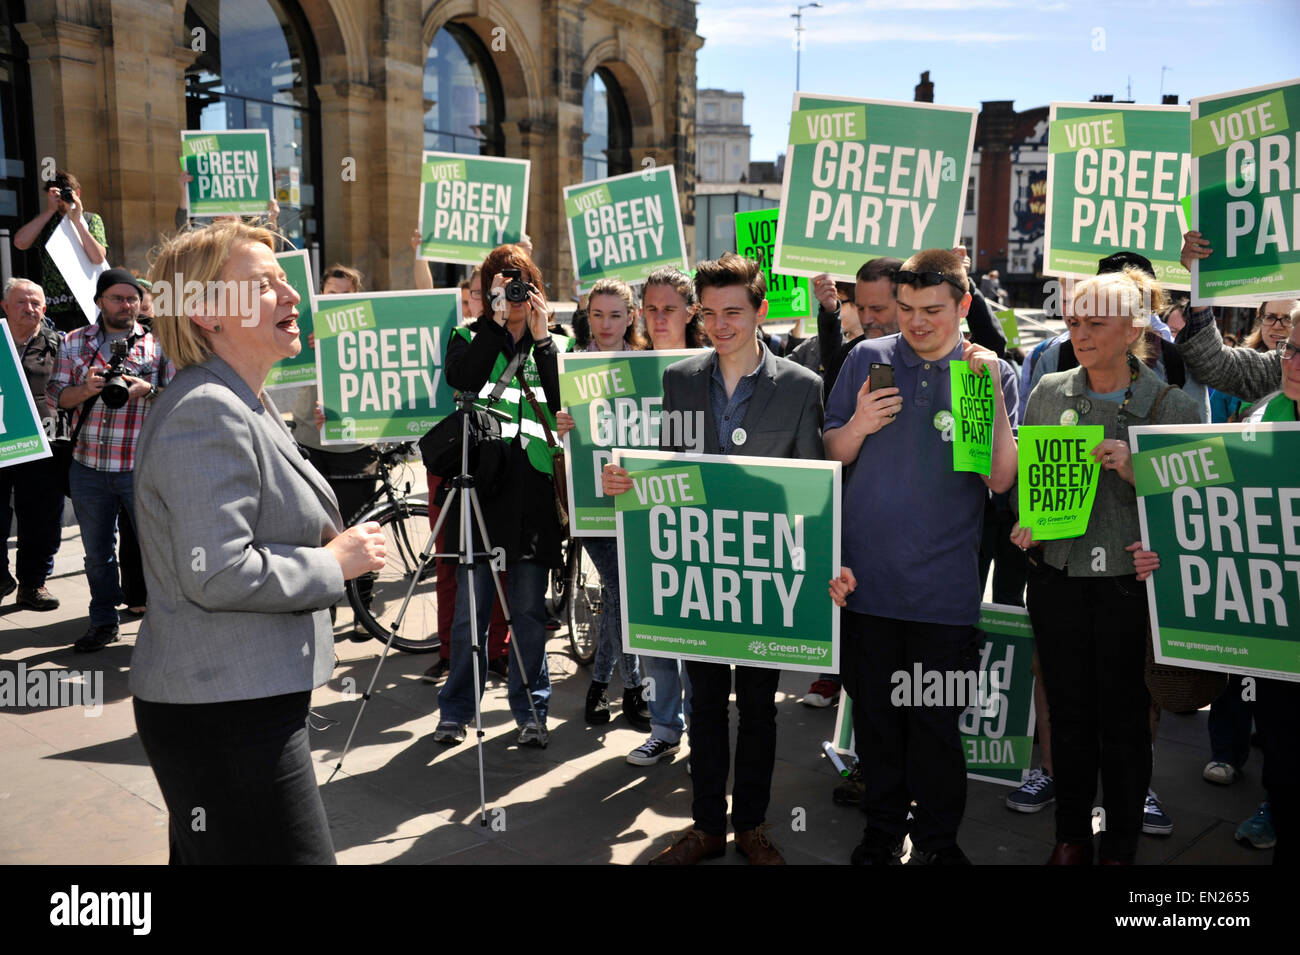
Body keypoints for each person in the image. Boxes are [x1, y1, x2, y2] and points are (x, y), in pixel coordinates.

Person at [130, 219, 385, 864]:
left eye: (286, 280)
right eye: (265, 285)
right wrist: (332, 563)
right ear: (209, 313)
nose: (292, 295)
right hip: (226, 719)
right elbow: (215, 573)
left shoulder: (244, 400)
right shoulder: (205, 410)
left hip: (235, 706)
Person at [603, 252, 825, 865]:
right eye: (711, 312)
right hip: (700, 575)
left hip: (761, 575)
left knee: (757, 705)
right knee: (704, 702)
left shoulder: (802, 387)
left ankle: (751, 826)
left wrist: (815, 570)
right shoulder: (678, 378)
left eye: (735, 311)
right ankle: (705, 826)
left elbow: (811, 489)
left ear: (759, 311)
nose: (721, 324)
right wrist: (628, 480)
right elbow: (669, 472)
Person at [825, 248, 1018, 866]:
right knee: (878, 729)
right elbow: (832, 452)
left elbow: (1001, 481)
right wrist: (857, 424)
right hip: (867, 588)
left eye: (932, 309)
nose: (916, 322)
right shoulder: (866, 357)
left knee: (935, 730)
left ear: (963, 306)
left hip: (944, 597)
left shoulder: (989, 373)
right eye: (905, 309)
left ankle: (937, 846)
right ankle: (880, 838)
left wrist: (986, 397)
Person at [1011, 267, 1201, 865]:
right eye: (1073, 320)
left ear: (1134, 328)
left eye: (1095, 322)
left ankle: (1119, 843)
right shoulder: (1049, 392)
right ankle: (1069, 837)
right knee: (1066, 716)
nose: (1081, 332)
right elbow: (1036, 486)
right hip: (1058, 580)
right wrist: (1028, 524)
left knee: (1124, 723)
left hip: (1128, 588)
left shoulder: (1173, 407)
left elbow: (1194, 514)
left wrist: (1135, 468)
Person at [433, 244, 570, 748]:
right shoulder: (468, 335)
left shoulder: (556, 342)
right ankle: (457, 710)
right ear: (486, 292)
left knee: (530, 611)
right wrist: (493, 323)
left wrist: (543, 339)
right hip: (479, 487)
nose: (511, 295)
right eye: (500, 286)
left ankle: (532, 710)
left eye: (519, 285)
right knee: (473, 610)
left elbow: (563, 403)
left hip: (532, 490)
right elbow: (464, 381)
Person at [47, 268, 174, 651]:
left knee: (157, 552)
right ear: (99, 301)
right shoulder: (73, 342)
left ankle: (167, 626)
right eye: (118, 298)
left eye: (132, 298)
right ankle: (103, 621)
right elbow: (57, 398)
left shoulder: (158, 344)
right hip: (88, 467)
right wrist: (86, 388)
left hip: (141, 469)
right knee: (97, 554)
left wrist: (148, 389)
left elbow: (178, 397)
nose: (127, 305)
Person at [624, 266, 704, 767]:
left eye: (669, 308)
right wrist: (573, 428)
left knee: (697, 628)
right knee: (653, 629)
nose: (658, 317)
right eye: (650, 308)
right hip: (641, 514)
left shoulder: (709, 366)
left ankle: (704, 729)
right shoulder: (620, 368)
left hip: (696, 513)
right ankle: (663, 727)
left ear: (690, 311)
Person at [569, 278, 650, 730]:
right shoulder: (572, 368)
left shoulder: (648, 366)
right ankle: (631, 688)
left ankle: (601, 688)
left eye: (616, 314)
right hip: (594, 507)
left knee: (622, 594)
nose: (606, 323)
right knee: (621, 588)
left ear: (631, 317)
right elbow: (564, 443)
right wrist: (563, 423)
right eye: (597, 314)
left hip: (637, 504)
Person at [287, 263, 382, 639]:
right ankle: (324, 612)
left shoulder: (368, 333)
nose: (332, 301)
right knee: (318, 534)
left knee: (360, 527)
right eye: (328, 293)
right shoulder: (303, 327)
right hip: (311, 442)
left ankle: (363, 608)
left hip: (355, 446)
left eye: (342, 295)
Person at [0, 279, 62, 610]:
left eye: (36, 303)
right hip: (0, 441)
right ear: (5, 306)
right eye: (22, 302)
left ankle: (33, 585)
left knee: (41, 517)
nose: (30, 308)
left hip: (42, 442)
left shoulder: (58, 343)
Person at [13, 170, 108, 333]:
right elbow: (20, 242)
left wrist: (77, 220)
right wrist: (49, 210)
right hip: (55, 309)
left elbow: (98, 257)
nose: (64, 199)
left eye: (67, 194)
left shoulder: (90, 219)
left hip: (86, 307)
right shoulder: (47, 223)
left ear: (78, 193)